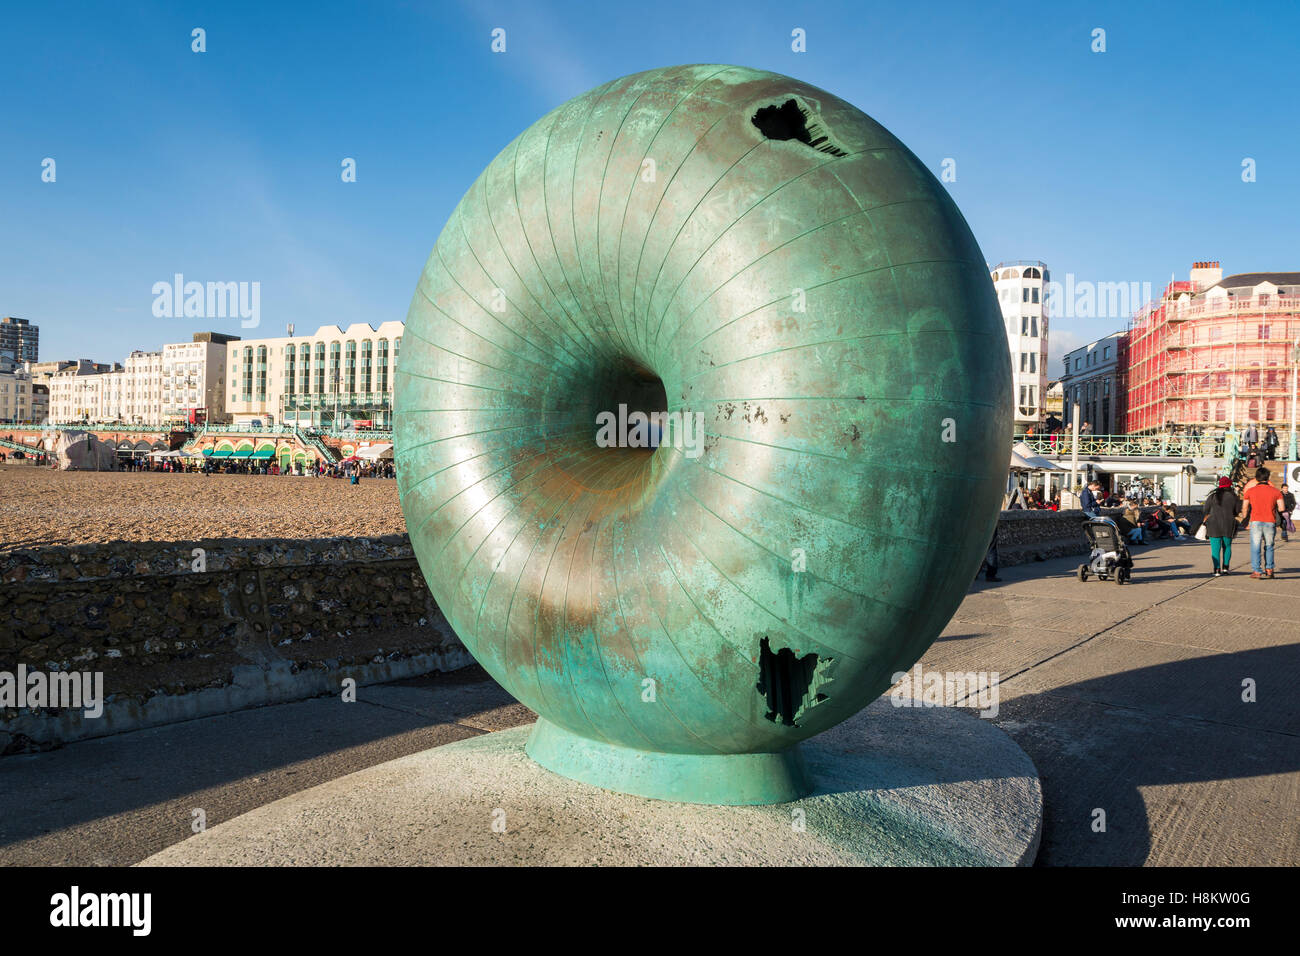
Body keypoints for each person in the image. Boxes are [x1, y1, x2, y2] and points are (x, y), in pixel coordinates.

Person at [1239, 467, 1284, 580]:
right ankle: (1269, 569)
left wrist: (1245, 520)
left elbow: (1244, 508)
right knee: (1269, 546)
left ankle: (1257, 571)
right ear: (1268, 478)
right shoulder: (1276, 492)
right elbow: (1282, 508)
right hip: (1270, 521)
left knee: (1255, 547)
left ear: (1257, 478)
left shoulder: (1250, 491)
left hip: (1255, 521)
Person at [1202, 477, 1239, 575]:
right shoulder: (1233, 496)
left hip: (1213, 524)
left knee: (1215, 548)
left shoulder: (1212, 496)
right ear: (1229, 485)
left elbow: (1205, 510)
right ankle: (1226, 568)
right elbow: (1237, 511)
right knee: (1227, 546)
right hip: (1228, 524)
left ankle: (1217, 569)